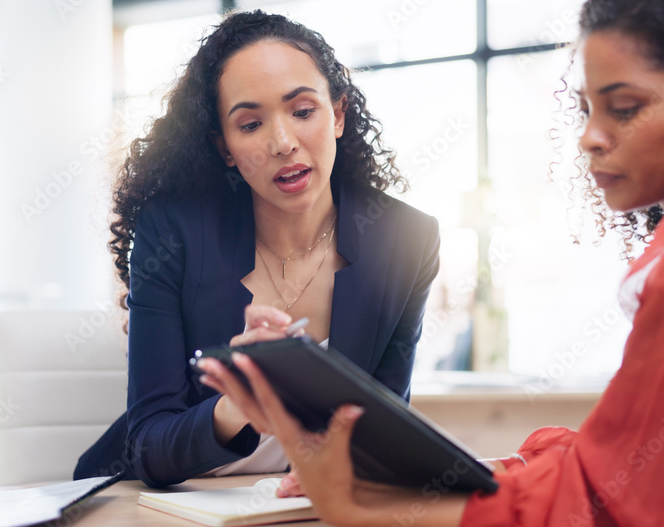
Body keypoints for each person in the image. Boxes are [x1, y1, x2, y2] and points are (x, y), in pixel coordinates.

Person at [198, 0, 664, 524]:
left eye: (625, 108)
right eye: (586, 109)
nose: (590, 136)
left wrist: (367, 508)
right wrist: (496, 473)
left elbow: (636, 504)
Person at [73, 10, 440, 489]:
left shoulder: (406, 240)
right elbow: (148, 446)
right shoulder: (173, 231)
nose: (283, 142)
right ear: (225, 146)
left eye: (303, 111)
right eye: (250, 124)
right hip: (154, 504)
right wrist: (235, 405)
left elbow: (383, 434)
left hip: (300, 509)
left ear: (339, 115)